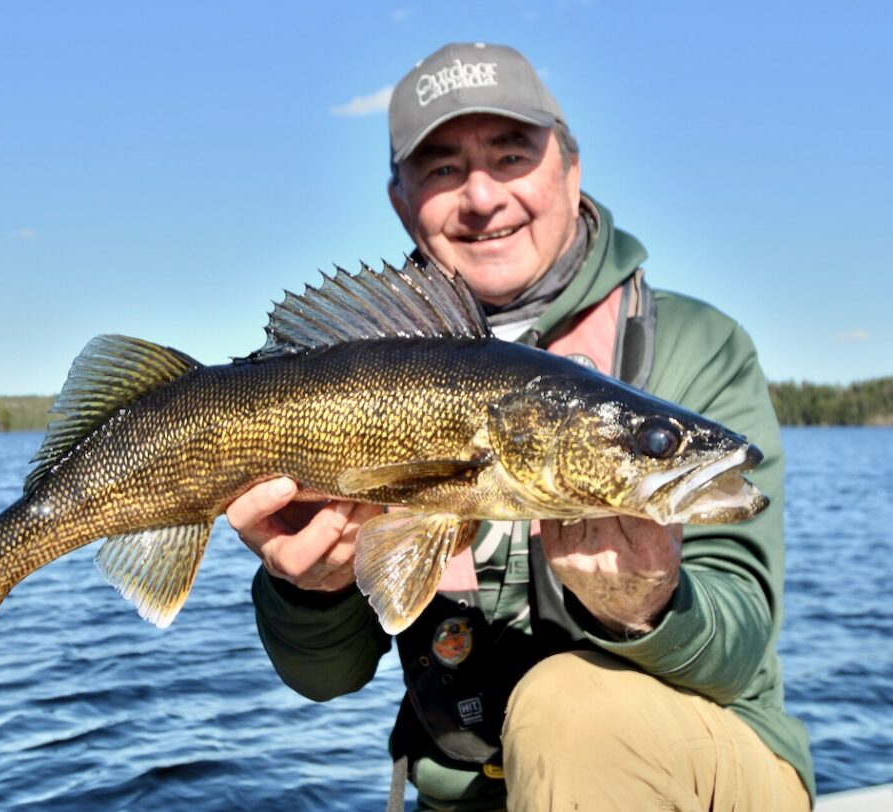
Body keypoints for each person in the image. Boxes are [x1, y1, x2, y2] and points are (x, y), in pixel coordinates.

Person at [225, 43, 814, 811]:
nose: (481, 196)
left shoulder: (701, 347)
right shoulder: (355, 373)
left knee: (571, 710)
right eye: (440, 168)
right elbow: (322, 678)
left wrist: (652, 606)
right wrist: (309, 588)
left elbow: (739, 649)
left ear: (570, 167)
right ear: (400, 199)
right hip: (471, 791)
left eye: (511, 154)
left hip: (701, 773)